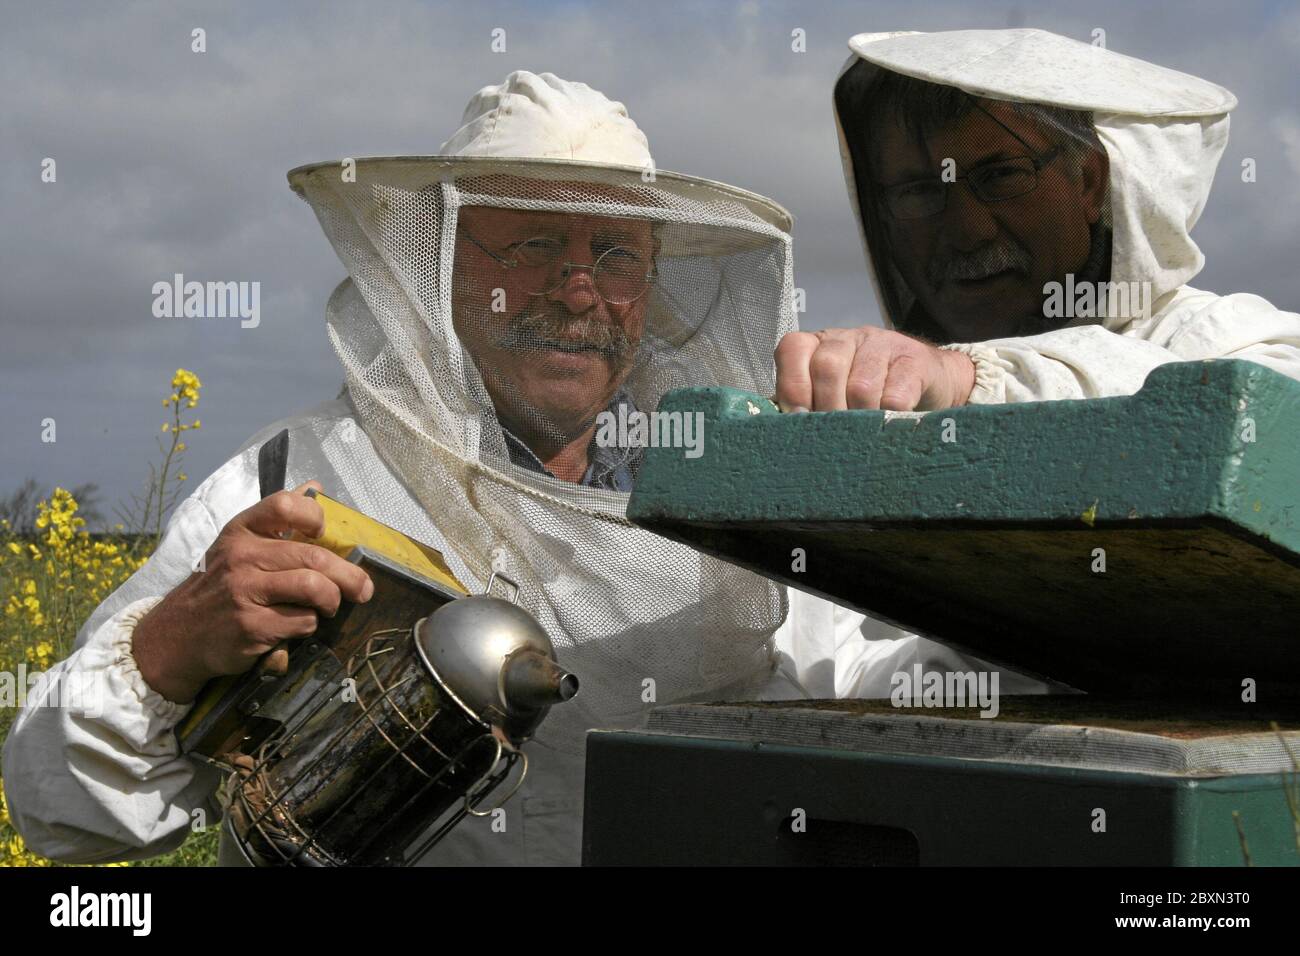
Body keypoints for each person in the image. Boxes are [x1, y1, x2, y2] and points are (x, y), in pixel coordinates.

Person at [1, 70, 1045, 868]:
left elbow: (879, 691)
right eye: (533, 245)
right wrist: (169, 651)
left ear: (652, 287)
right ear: (441, 269)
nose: (579, 288)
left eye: (616, 255)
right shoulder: (290, 480)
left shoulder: (741, 490)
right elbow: (57, 810)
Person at [774, 28, 1300, 416]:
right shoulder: (871, 389)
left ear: (1091, 183)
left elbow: (1240, 403)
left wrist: (967, 379)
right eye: (917, 191)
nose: (966, 230)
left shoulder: (1238, 340)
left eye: (1001, 175)